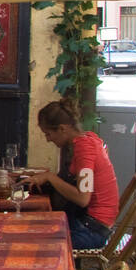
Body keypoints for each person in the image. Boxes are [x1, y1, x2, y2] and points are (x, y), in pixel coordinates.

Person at [28, 98, 120, 250]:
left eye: (49, 134)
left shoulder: (84, 149)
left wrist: (50, 177)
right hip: (92, 222)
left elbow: (83, 198)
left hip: (92, 230)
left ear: (63, 129)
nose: (48, 139)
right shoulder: (88, 139)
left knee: (34, 240)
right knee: (36, 225)